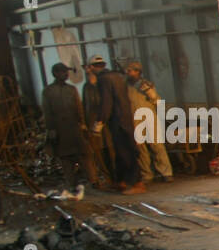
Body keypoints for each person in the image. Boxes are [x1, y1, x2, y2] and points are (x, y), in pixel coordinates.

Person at [93, 59, 144, 194]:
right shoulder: (118, 77)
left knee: (125, 151)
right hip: (125, 117)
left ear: (92, 68)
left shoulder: (103, 80)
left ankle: (137, 183)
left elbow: (106, 102)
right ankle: (122, 181)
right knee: (122, 151)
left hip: (117, 119)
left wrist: (99, 122)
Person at [40, 62, 87, 199]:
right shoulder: (48, 91)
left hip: (74, 128)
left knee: (82, 155)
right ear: (55, 74)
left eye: (66, 72)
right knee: (65, 158)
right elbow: (47, 112)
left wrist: (82, 124)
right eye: (63, 72)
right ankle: (71, 183)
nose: (66, 74)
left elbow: (79, 107)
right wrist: (51, 130)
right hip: (59, 129)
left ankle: (87, 181)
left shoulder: (72, 89)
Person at [125, 58, 172, 183]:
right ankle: (147, 175)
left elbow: (157, 100)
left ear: (137, 72)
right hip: (134, 118)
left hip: (149, 117)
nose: (128, 73)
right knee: (141, 148)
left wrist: (149, 91)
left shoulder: (146, 84)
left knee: (156, 145)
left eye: (130, 71)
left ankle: (166, 172)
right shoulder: (126, 86)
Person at [81, 55, 115, 186]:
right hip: (93, 123)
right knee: (99, 152)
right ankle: (108, 179)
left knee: (112, 151)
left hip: (107, 123)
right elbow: (85, 105)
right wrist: (84, 124)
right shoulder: (86, 87)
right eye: (94, 66)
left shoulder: (106, 83)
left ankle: (116, 178)